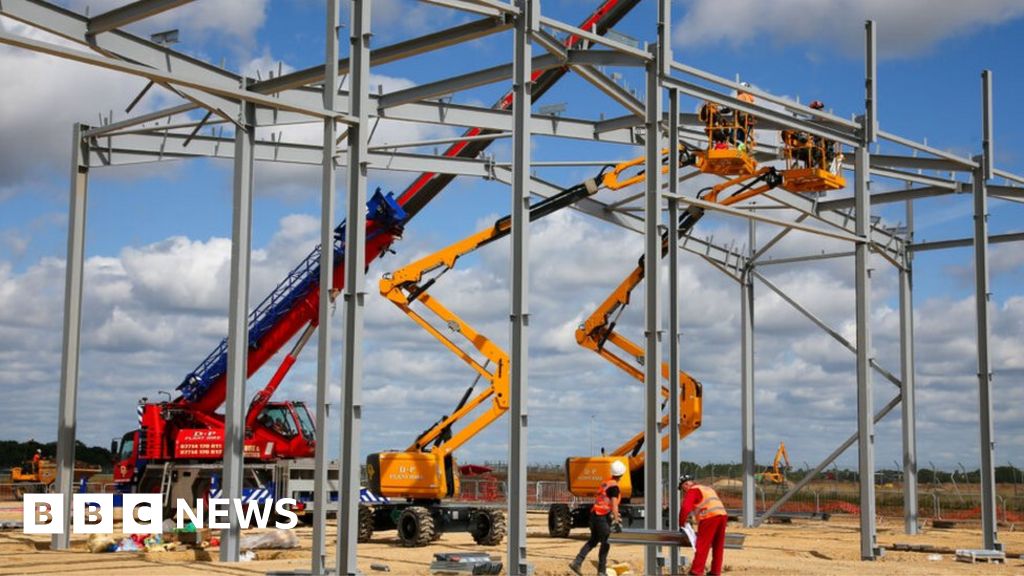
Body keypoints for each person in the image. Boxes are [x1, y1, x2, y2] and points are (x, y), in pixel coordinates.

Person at [569, 460, 625, 575]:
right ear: (622, 474)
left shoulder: (606, 483)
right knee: (606, 542)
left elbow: (604, 502)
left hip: (594, 515)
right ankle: (601, 572)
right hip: (601, 518)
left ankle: (577, 562)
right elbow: (614, 504)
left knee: (593, 540)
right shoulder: (614, 487)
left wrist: (614, 515)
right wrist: (617, 520)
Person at [679, 474, 727, 576]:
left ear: (686, 484)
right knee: (718, 545)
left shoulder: (693, 490)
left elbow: (685, 508)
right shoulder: (706, 488)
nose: (683, 491)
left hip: (709, 517)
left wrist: (681, 523)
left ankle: (696, 571)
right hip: (722, 516)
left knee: (702, 545)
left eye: (682, 488)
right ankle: (715, 571)